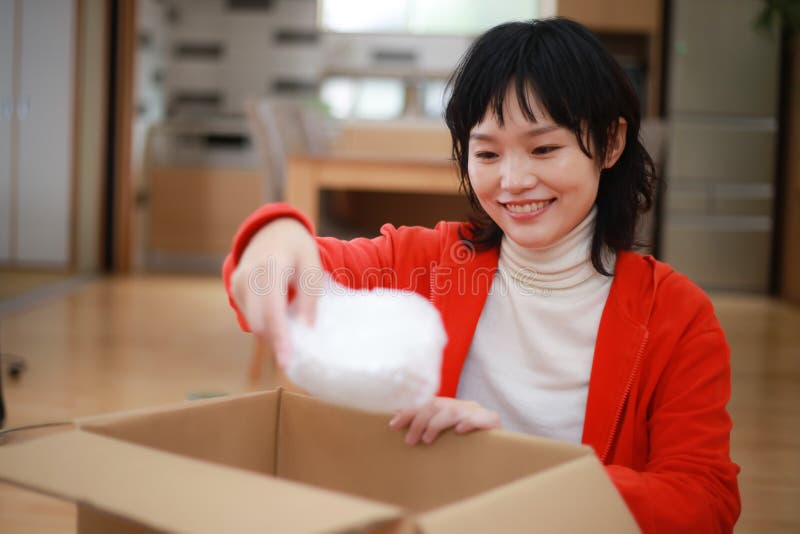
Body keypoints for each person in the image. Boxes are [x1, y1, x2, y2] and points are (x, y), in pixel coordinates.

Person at [223, 18, 740, 533]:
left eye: (543, 149)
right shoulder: (428, 263)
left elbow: (704, 504)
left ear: (609, 143)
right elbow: (284, 283)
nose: (513, 181)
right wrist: (275, 234)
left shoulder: (677, 317)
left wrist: (513, 464)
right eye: (488, 153)